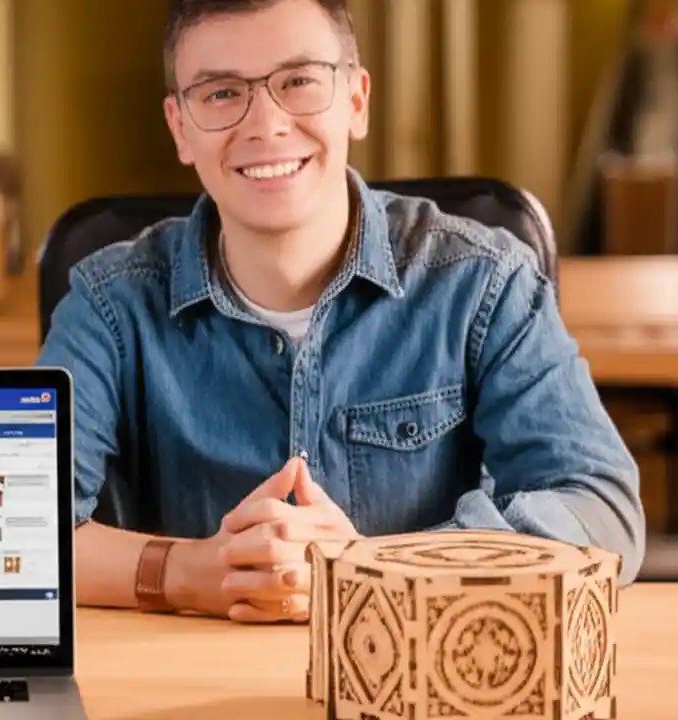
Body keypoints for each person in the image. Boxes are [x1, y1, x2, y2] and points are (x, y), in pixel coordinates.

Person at [36, 0, 646, 624]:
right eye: (221, 93)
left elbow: (601, 509)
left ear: (356, 100)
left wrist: (372, 569)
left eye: (299, 81)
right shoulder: (109, 302)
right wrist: (184, 572)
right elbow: (11, 542)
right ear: (180, 127)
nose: (266, 124)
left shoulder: (485, 281)